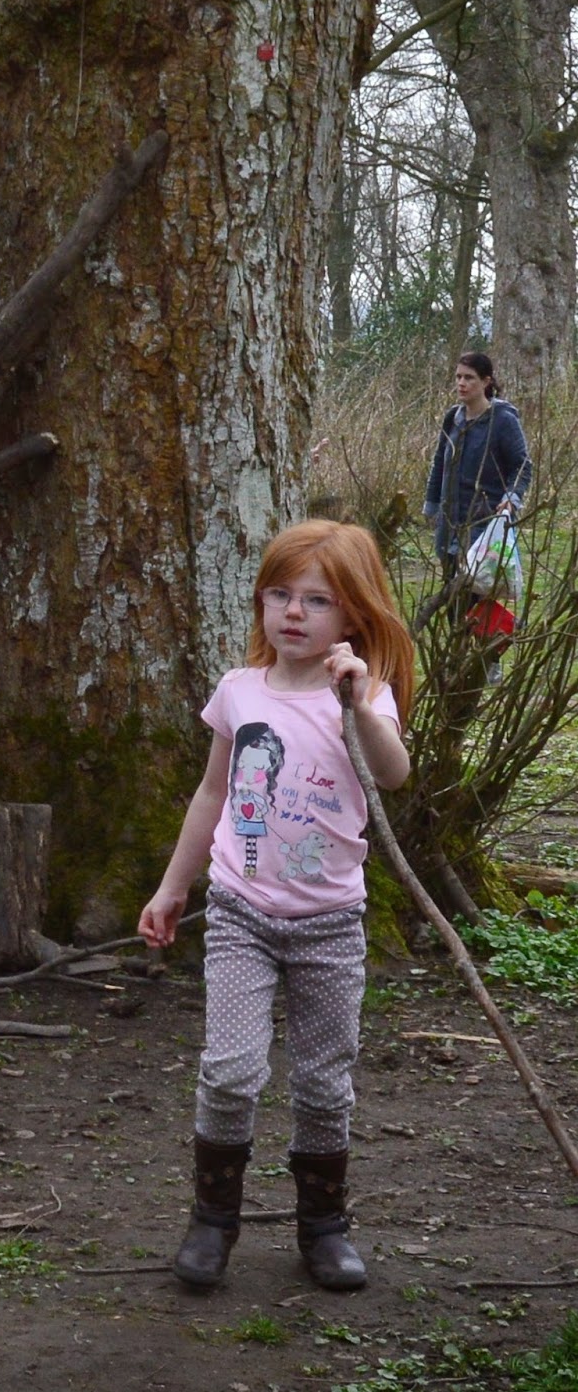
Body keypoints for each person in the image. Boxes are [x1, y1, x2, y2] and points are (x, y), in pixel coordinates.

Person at [138, 520, 414, 1292]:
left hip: (328, 923)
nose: (293, 612)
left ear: (352, 615)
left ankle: (323, 1226)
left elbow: (391, 775)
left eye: (317, 599)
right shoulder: (238, 691)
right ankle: (212, 1220)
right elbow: (212, 792)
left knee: (325, 1079)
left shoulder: (362, 697)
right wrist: (172, 886)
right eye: (279, 594)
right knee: (229, 1070)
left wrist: (357, 703)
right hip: (240, 915)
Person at [422, 352, 531, 582]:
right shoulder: (453, 418)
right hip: (450, 525)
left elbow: (521, 467)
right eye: (458, 377)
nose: (461, 383)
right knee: (452, 598)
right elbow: (440, 464)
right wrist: (431, 506)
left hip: (484, 525)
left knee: (477, 600)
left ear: (485, 381)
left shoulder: (503, 420)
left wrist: (511, 498)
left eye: (469, 378)